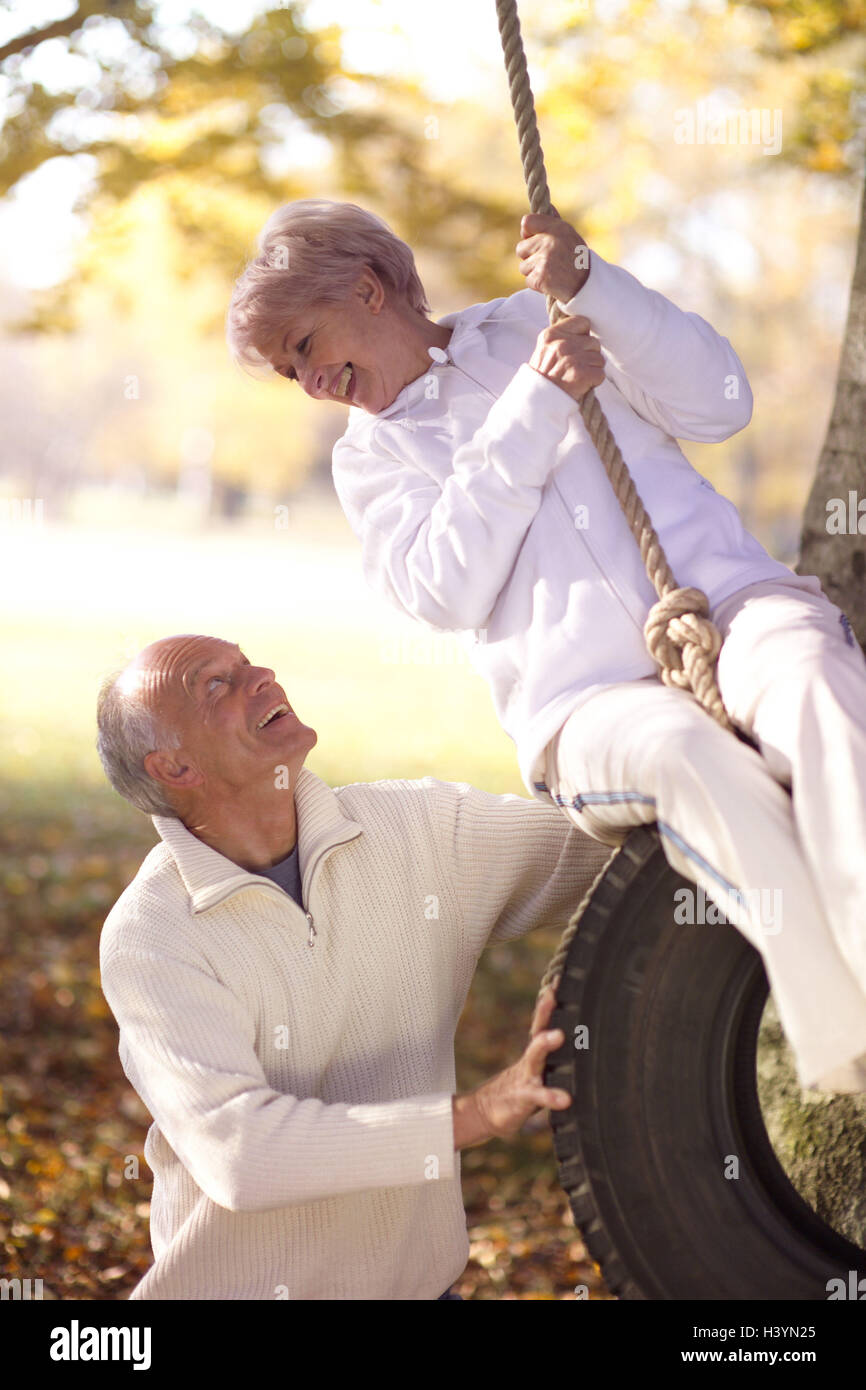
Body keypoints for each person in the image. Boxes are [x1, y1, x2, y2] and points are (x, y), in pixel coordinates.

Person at [225, 199, 866, 1094]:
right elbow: (444, 586)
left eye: (302, 347)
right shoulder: (371, 460)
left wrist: (593, 285)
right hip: (591, 704)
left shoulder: (539, 316)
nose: (307, 383)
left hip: (729, 607)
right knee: (691, 757)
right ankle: (847, 1045)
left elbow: (722, 403)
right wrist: (535, 402)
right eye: (287, 372)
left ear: (368, 290)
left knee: (815, 684)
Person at [95, 633, 615, 1299]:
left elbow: (606, 844)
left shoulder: (418, 827)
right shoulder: (151, 935)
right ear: (175, 770)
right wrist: (480, 1113)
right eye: (215, 686)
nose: (262, 675)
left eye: (248, 661)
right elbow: (243, 1155)